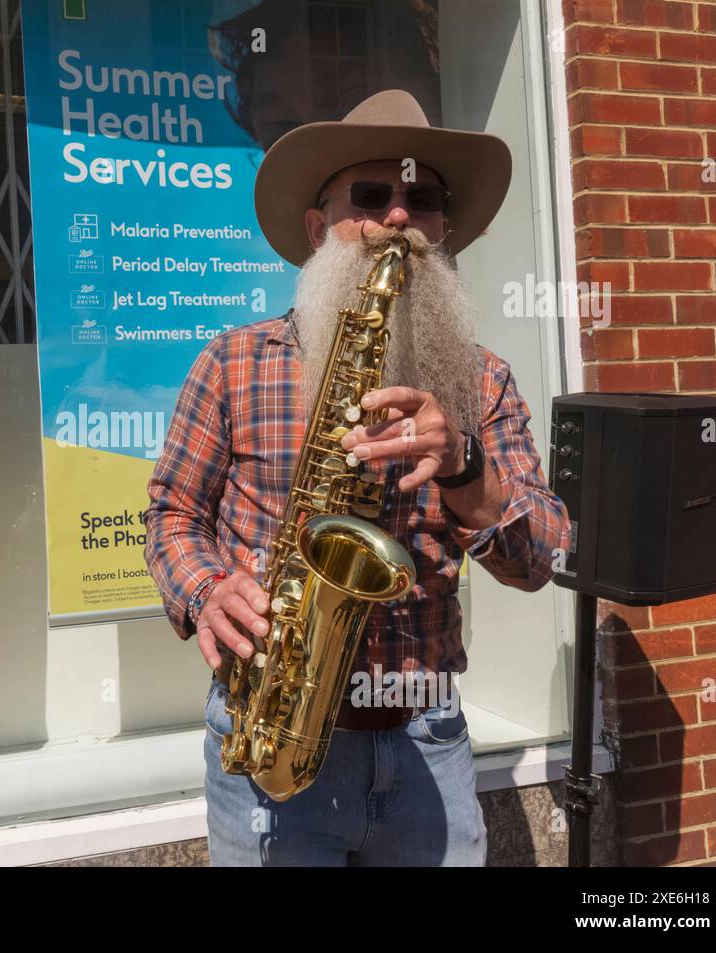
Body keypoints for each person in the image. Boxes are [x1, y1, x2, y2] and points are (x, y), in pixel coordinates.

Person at [143, 89, 569, 866]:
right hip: (271, 735)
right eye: (372, 196)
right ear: (319, 229)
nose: (400, 218)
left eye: (423, 198)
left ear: (444, 229)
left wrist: (467, 468)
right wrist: (207, 590)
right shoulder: (234, 364)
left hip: (426, 739)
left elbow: (543, 559)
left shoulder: (485, 383)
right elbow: (171, 515)